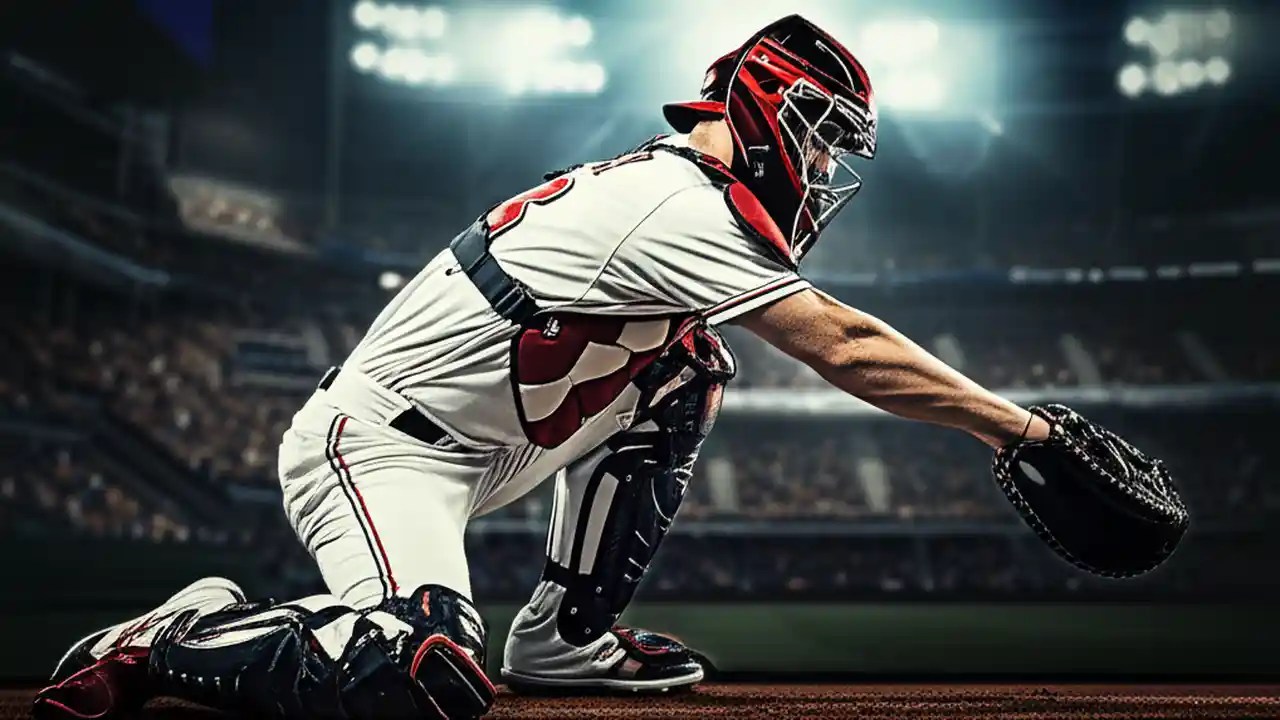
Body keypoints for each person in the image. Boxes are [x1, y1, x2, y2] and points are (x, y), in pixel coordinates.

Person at [33, 14, 1049, 720]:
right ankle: (180, 632)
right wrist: (1024, 430)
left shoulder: (680, 198)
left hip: (494, 435)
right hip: (381, 451)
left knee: (688, 363)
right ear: (764, 110)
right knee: (414, 667)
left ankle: (565, 639)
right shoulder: (678, 204)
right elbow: (842, 344)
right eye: (821, 141)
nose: (825, 172)